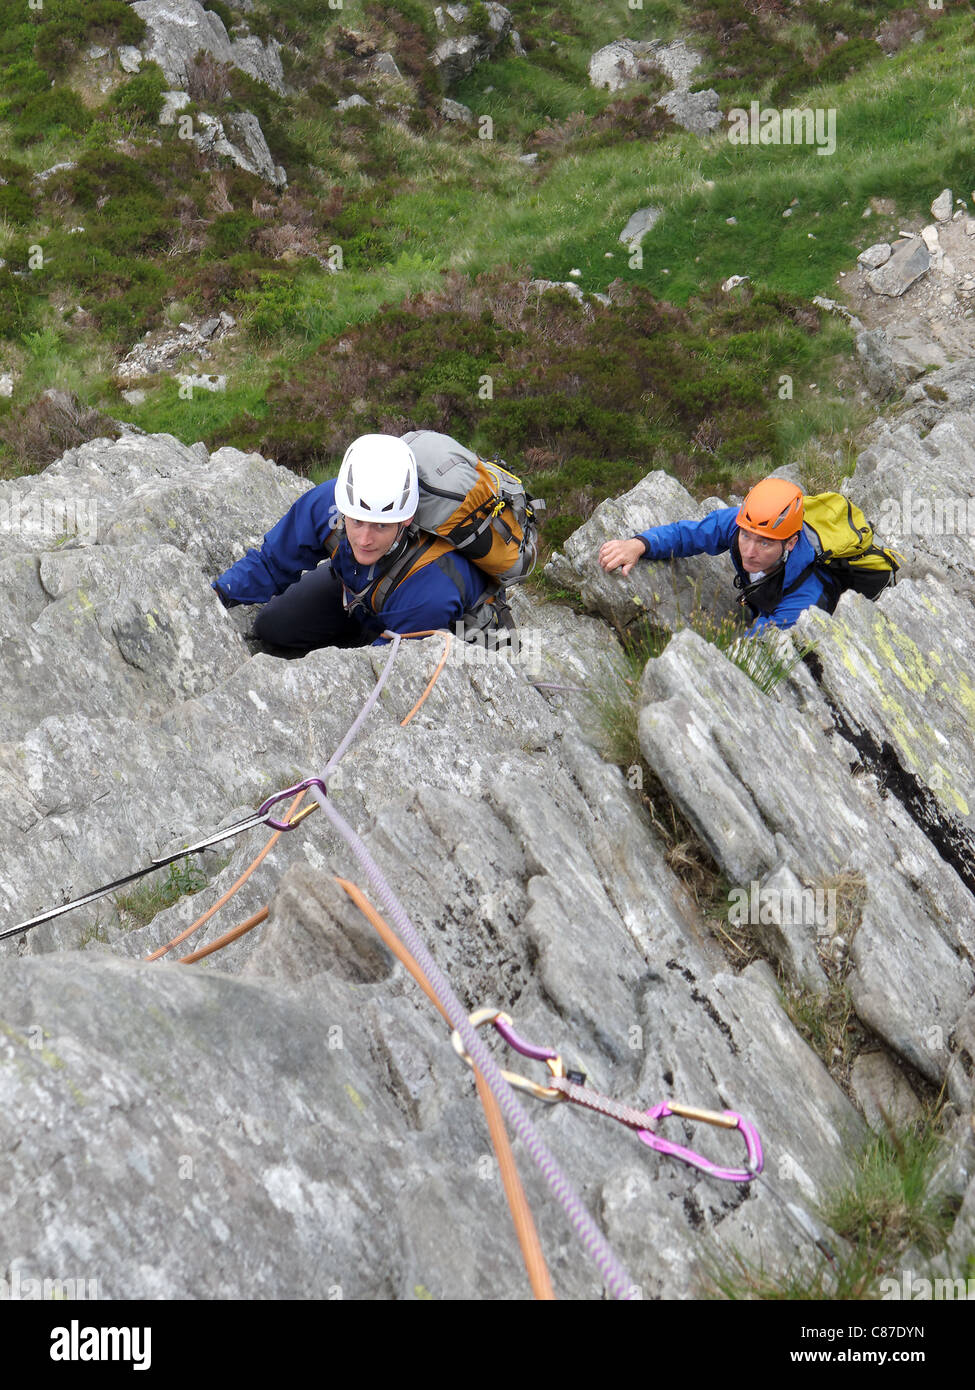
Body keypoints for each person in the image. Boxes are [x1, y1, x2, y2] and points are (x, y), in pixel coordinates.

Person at [212, 434, 489, 650]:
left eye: (381, 525)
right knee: (274, 626)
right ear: (343, 510)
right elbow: (272, 563)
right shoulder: (329, 504)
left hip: (417, 617)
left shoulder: (431, 586)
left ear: (406, 520)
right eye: (356, 522)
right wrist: (218, 594)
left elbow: (387, 671)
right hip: (360, 592)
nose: (365, 539)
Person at [598, 477, 836, 634]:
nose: (749, 552)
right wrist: (639, 544)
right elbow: (688, 535)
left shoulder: (805, 598)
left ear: (791, 542)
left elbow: (757, 648)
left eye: (765, 543)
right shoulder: (742, 523)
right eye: (746, 537)